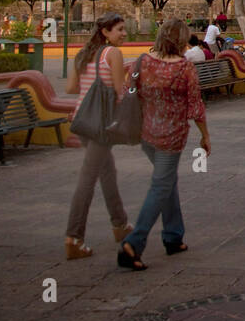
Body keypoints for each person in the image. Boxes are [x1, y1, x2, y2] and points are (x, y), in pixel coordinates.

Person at [118, 17, 211, 271]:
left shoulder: (142, 62)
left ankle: (173, 235)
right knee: (161, 185)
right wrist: (205, 136)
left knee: (166, 181)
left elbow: (128, 90)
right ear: (182, 41)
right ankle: (134, 242)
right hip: (171, 137)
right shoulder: (184, 68)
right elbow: (195, 107)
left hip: (147, 134)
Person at [64, 14, 132, 262]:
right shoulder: (112, 54)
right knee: (88, 179)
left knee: (107, 172)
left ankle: (120, 224)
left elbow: (71, 88)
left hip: (83, 121)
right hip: (101, 125)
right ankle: (74, 237)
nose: (123, 34)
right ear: (105, 32)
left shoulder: (83, 54)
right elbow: (120, 92)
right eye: (119, 29)